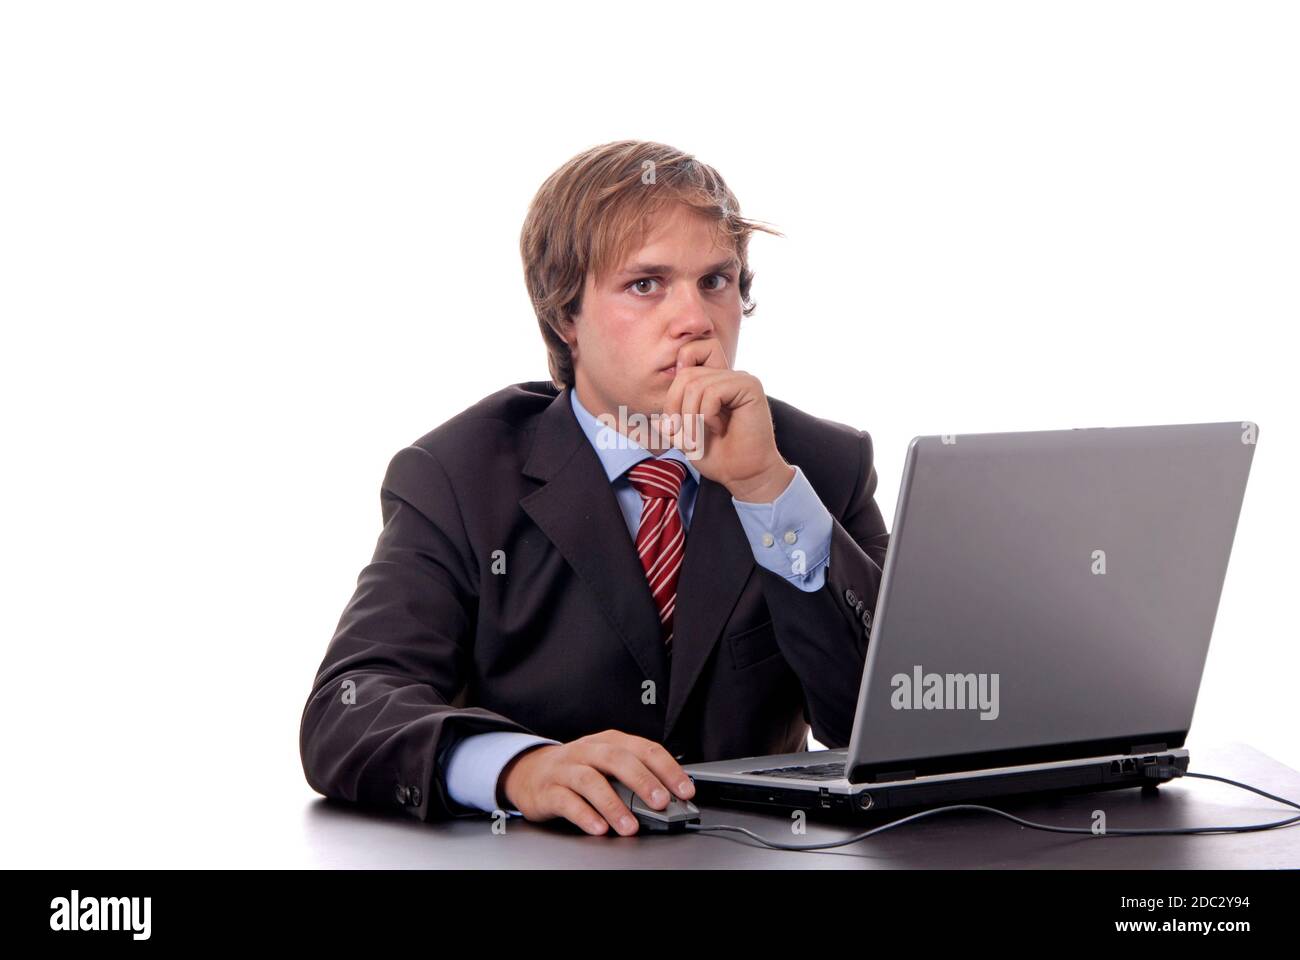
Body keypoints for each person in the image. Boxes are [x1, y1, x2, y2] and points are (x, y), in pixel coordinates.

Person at [299, 140, 889, 836]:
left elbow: (890, 723)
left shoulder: (817, 464)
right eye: (646, 285)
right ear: (564, 316)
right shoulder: (459, 474)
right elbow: (349, 707)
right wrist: (519, 768)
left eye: (716, 281)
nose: (696, 320)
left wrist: (766, 489)